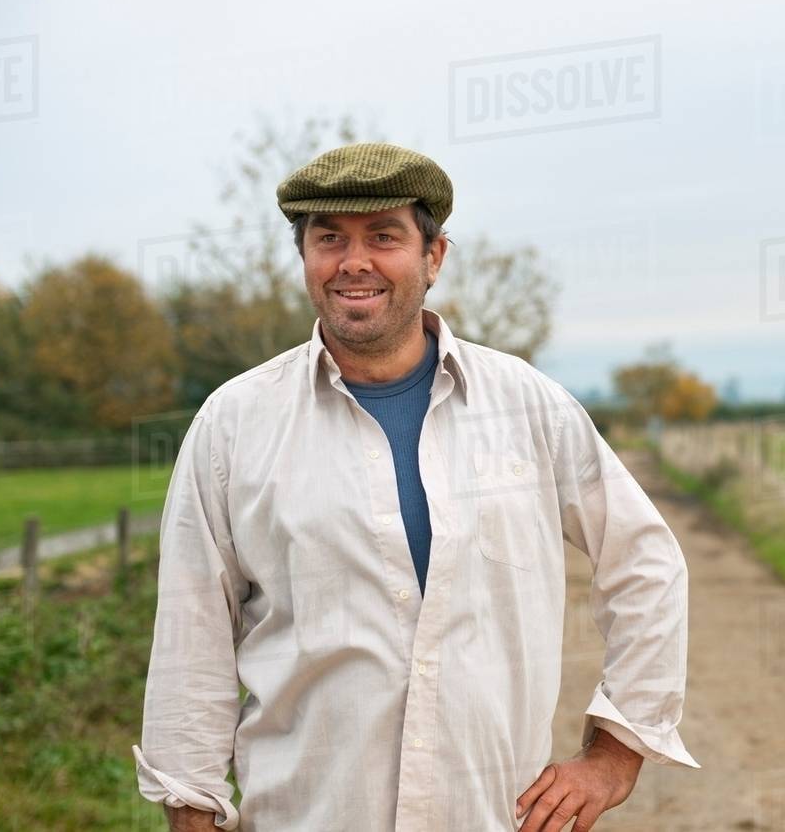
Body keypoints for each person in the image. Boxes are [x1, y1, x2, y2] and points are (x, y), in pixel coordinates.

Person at [132, 142, 698, 831]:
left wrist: (615, 755)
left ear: (434, 257)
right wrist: (190, 804)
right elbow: (193, 628)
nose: (354, 262)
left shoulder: (528, 406)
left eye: (385, 237)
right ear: (306, 258)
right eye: (329, 239)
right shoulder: (234, 424)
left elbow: (645, 565)